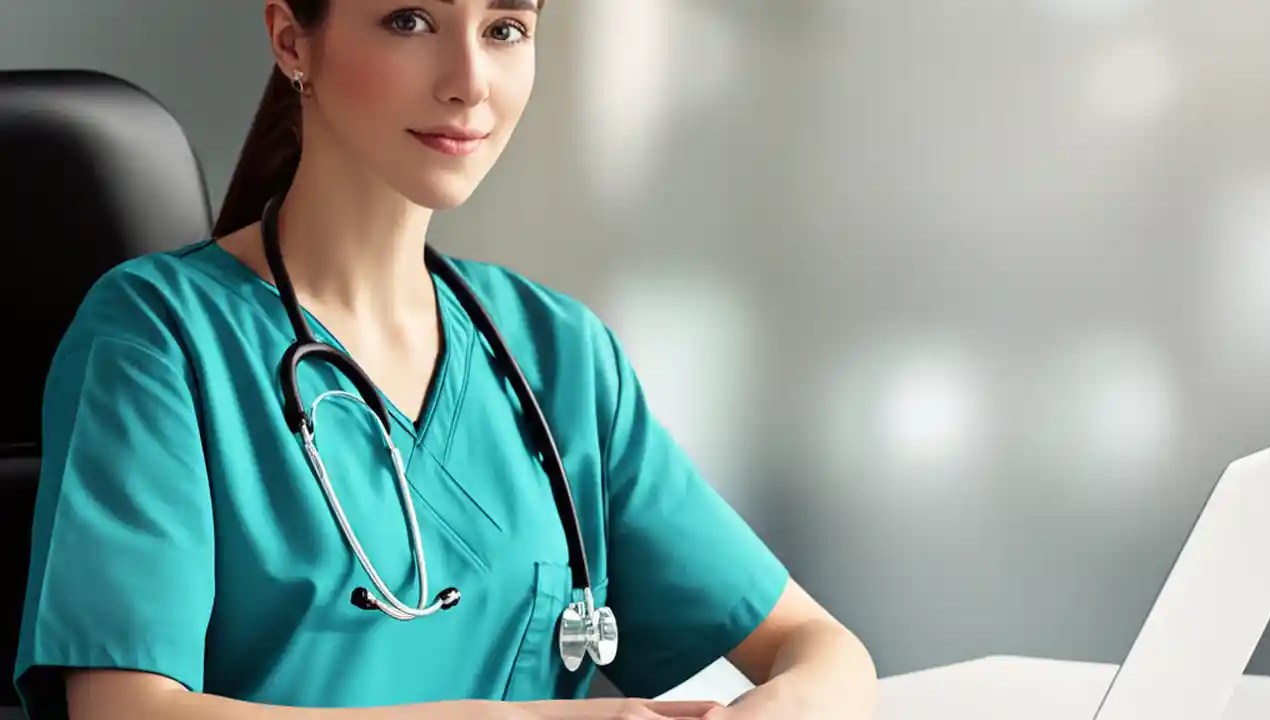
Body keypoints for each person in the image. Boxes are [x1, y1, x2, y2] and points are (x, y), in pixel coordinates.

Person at [12, 1, 878, 718]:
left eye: (506, 28)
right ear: (290, 41)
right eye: (411, 21)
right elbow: (126, 711)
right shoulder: (157, 336)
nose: (469, 84)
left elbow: (820, 648)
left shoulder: (559, 356)